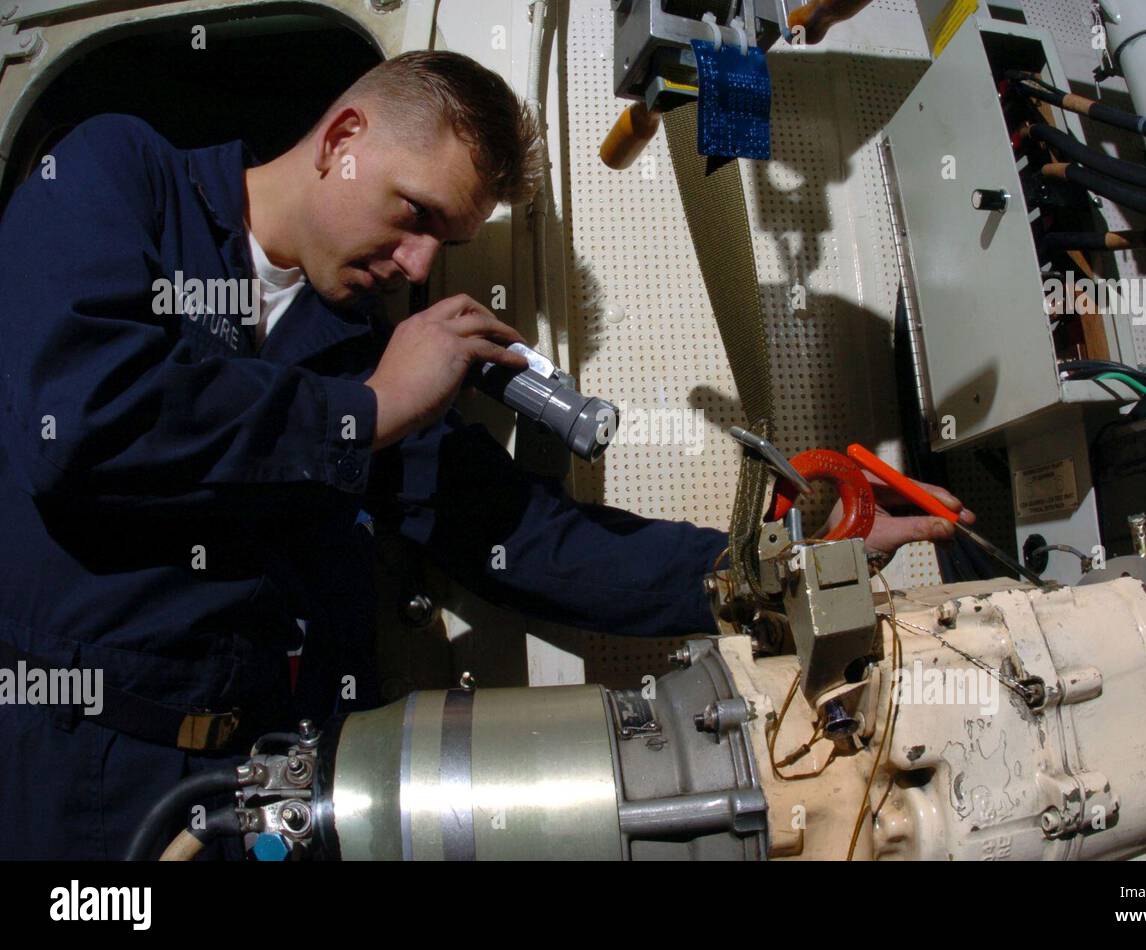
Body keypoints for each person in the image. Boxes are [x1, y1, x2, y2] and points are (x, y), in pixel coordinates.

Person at [0, 50, 970, 859]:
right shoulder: (116, 175)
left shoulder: (355, 345)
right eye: (415, 215)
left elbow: (533, 540)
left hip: (256, 785)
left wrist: (797, 552)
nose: (419, 266)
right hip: (76, 769)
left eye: (447, 240)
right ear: (342, 140)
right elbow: (84, 416)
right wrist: (370, 406)